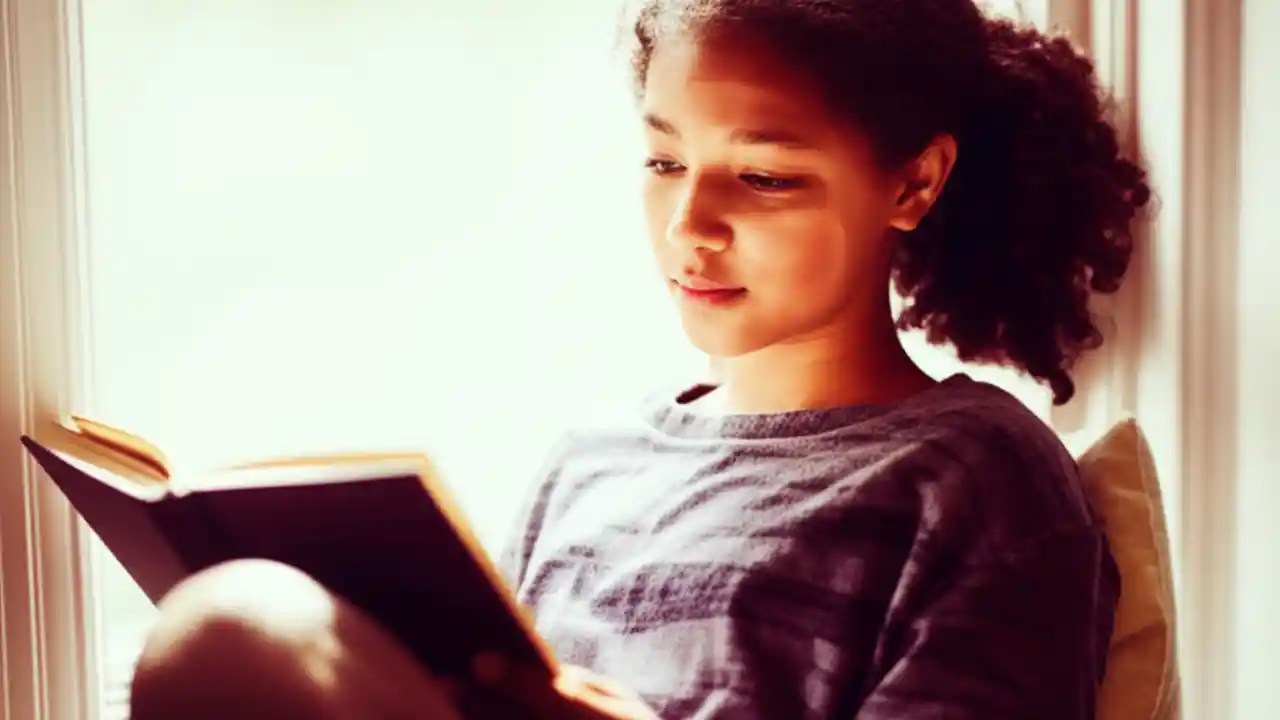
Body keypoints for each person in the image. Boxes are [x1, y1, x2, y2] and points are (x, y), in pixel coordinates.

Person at [128, 0, 1151, 718]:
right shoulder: (593, 459)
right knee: (234, 623)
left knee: (227, 627)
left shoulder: (973, 477)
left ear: (912, 183)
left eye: (760, 177)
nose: (688, 226)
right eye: (663, 162)